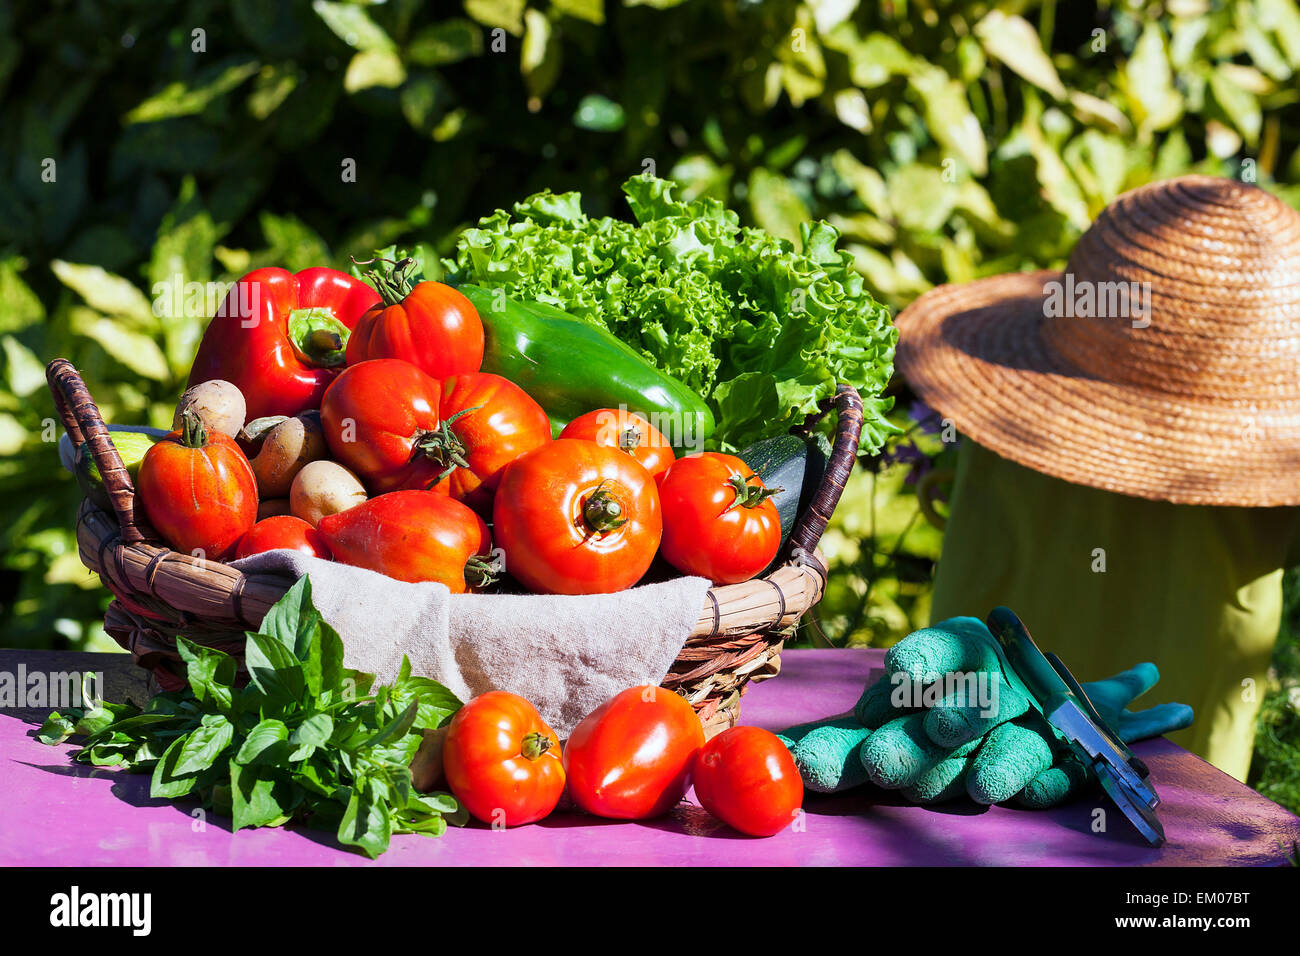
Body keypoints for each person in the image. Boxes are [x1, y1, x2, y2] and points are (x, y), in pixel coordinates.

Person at [895, 175, 1300, 781]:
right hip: (1175, 750)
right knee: (1178, 822)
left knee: (957, 754)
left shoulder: (1023, 410)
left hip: (969, 720)